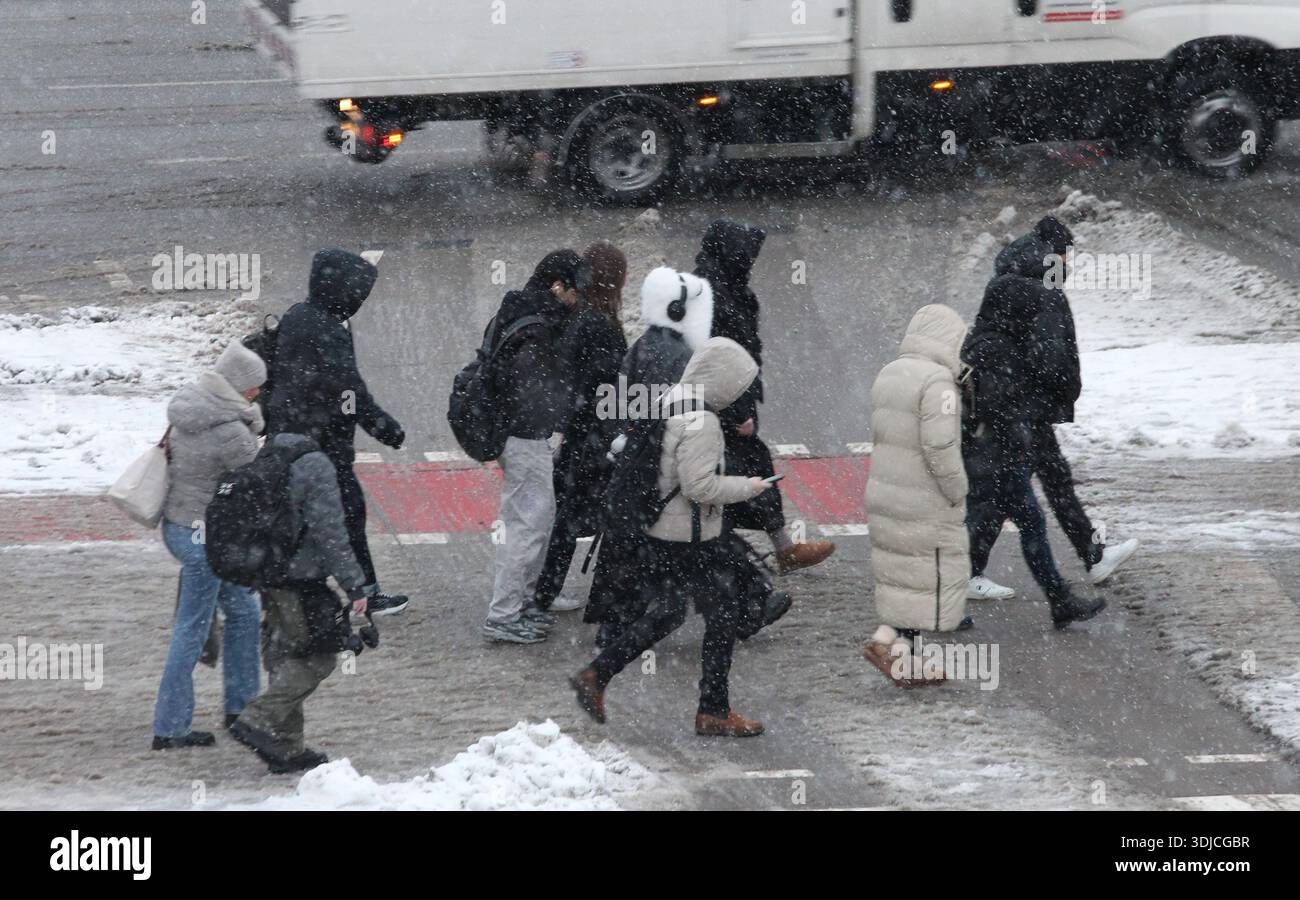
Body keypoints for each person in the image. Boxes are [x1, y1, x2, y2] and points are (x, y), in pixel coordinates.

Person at [570, 337, 772, 737]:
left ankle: (598, 674)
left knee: (671, 611)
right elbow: (700, 487)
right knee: (723, 613)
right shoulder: (704, 422)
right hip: (690, 536)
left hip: (658, 530)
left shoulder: (671, 399)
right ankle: (712, 709)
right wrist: (749, 486)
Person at [968, 216, 1138, 601]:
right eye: (1066, 256)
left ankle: (1093, 554)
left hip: (1002, 398)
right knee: (1013, 489)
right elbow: (1052, 356)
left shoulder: (1002, 282)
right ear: (1055, 255)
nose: (1068, 264)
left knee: (1046, 480)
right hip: (1024, 406)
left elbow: (989, 337)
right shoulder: (1046, 292)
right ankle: (974, 572)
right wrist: (1064, 391)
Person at [266, 249, 408, 615]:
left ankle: (279, 590)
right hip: (323, 445)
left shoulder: (298, 316)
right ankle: (365, 593)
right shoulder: (328, 330)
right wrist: (385, 428)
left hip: (288, 436)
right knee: (347, 514)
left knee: (300, 517)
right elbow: (350, 393)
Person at [962, 273, 1106, 629]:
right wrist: (1021, 426)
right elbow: (995, 406)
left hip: (992, 455)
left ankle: (950, 596)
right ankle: (1058, 599)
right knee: (1028, 525)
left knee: (989, 523)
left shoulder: (988, 339)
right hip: (998, 456)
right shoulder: (995, 347)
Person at [228, 432, 377, 774]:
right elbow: (331, 533)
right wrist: (355, 585)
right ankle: (256, 720)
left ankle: (286, 747)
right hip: (301, 578)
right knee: (317, 658)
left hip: (268, 572)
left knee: (284, 654)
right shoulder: (316, 464)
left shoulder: (272, 453)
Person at [694, 219, 835, 573]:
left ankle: (774, 548)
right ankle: (747, 556)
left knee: (737, 474)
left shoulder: (717, 288)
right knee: (731, 476)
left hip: (725, 405)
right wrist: (735, 413)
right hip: (723, 407)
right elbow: (719, 362)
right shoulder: (718, 298)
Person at [152, 341, 266, 749]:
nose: (257, 394)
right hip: (206, 542)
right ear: (237, 387)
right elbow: (260, 478)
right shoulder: (230, 430)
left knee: (244, 613)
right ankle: (170, 727)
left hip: (181, 527)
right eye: (254, 388)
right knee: (191, 631)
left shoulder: (193, 405)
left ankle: (242, 709)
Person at [862, 306, 970, 687]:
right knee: (924, 575)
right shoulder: (939, 384)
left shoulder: (890, 373)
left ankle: (894, 646)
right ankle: (891, 645)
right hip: (923, 497)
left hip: (888, 491)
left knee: (906, 579)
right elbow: (939, 448)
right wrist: (958, 490)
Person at [482, 249, 587, 643]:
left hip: (519, 435)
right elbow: (529, 390)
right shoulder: (536, 327)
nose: (579, 300)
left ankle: (521, 604)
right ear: (557, 287)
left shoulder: (517, 312)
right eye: (576, 291)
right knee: (526, 525)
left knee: (535, 521)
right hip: (523, 437)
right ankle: (505, 614)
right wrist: (560, 414)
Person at [533, 241, 629, 615]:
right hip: (595, 436)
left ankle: (544, 588)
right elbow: (605, 385)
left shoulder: (581, 317)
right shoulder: (599, 324)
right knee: (578, 517)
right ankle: (550, 593)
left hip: (580, 433)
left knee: (565, 514)